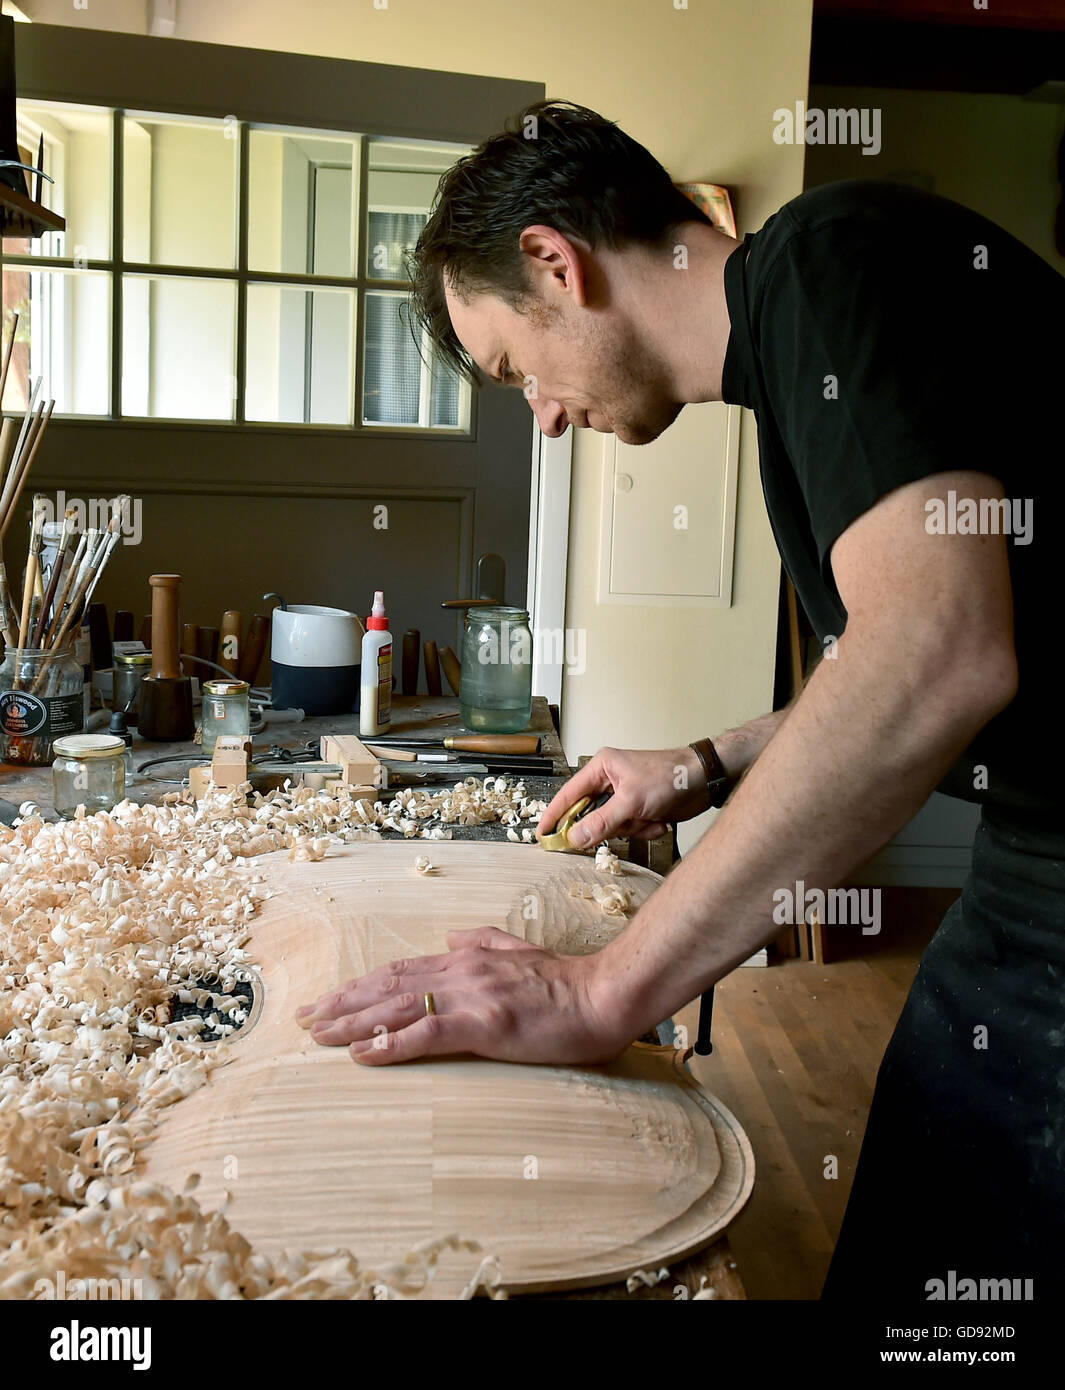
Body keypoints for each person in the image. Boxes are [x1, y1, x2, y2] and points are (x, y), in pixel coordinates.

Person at [296, 101, 1064, 1300]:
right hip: (1032, 849)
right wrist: (703, 762)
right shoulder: (797, 326)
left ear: (559, 262)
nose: (544, 416)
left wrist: (605, 987)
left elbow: (939, 653)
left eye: (516, 368)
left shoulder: (827, 258)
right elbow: (913, 652)